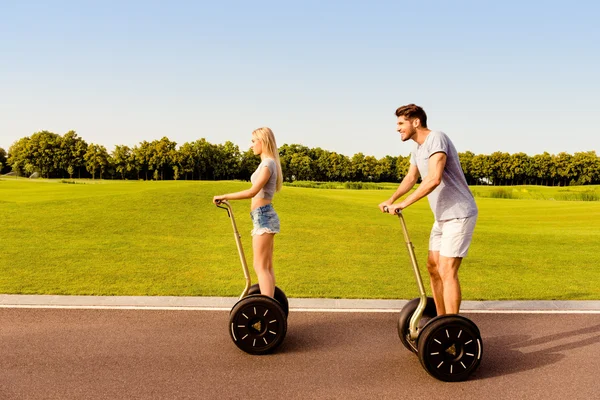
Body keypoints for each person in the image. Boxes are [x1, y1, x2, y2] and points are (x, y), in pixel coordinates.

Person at [379, 104, 478, 315]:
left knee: (446, 269)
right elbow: (411, 178)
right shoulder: (417, 148)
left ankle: (451, 323)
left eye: (400, 123)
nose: (397, 128)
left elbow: (434, 178)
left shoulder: (437, 138)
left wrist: (404, 204)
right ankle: (441, 320)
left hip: (459, 214)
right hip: (442, 217)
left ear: (416, 122)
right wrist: (392, 198)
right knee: (433, 267)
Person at [213, 127, 283, 298]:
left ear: (263, 141)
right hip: (263, 216)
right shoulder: (268, 163)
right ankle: (271, 304)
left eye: (253, 141)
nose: (251, 145)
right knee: (266, 266)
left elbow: (252, 192)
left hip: (264, 217)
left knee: (260, 267)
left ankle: (267, 306)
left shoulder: (267, 164)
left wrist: (225, 196)